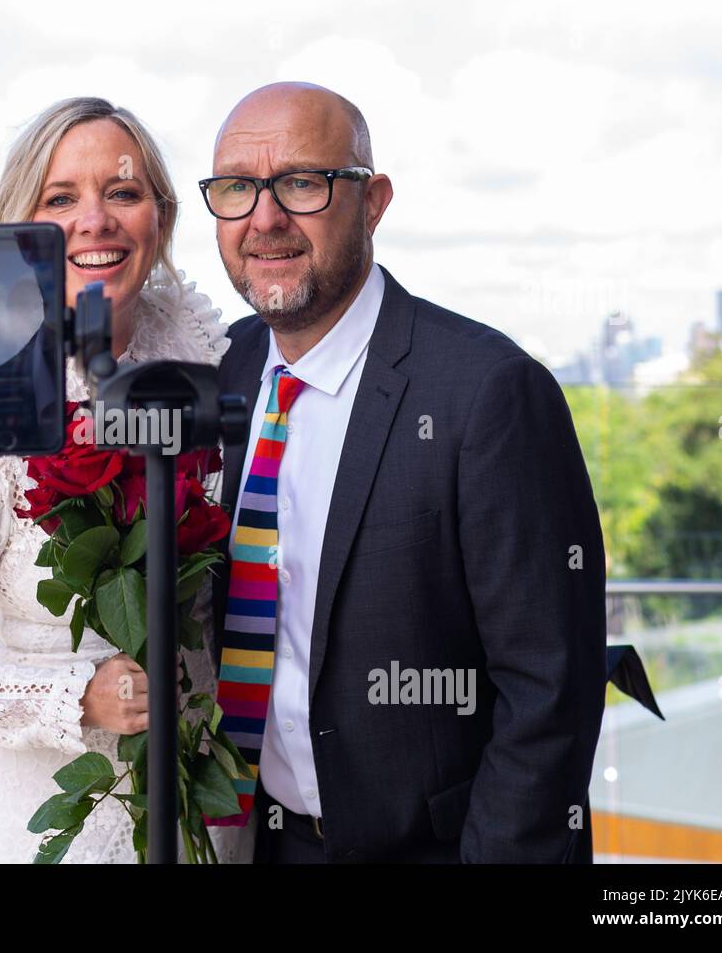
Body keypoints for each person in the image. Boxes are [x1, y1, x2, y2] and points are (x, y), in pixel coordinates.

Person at [203, 82, 607, 862]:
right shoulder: (224, 368)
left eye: (300, 182)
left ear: (373, 201)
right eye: (236, 189)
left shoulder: (487, 392)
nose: (264, 218)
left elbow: (548, 691)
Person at [0, 97, 252, 863]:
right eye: (61, 198)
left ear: (162, 218)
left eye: (123, 192)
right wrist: (77, 696)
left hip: (210, 803)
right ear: (23, 231)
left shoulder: (220, 365)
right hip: (54, 814)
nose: (96, 219)